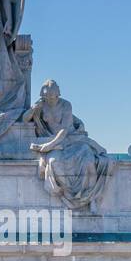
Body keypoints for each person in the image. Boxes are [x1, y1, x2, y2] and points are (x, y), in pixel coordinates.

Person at [27, 79, 112, 211]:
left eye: (52, 96)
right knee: (54, 162)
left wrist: (49, 146)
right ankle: (69, 196)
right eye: (47, 97)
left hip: (71, 140)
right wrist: (33, 110)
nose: (50, 99)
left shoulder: (66, 105)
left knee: (88, 159)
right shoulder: (41, 106)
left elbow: (64, 130)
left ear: (57, 94)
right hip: (56, 146)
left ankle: (91, 199)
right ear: (43, 96)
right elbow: (24, 119)